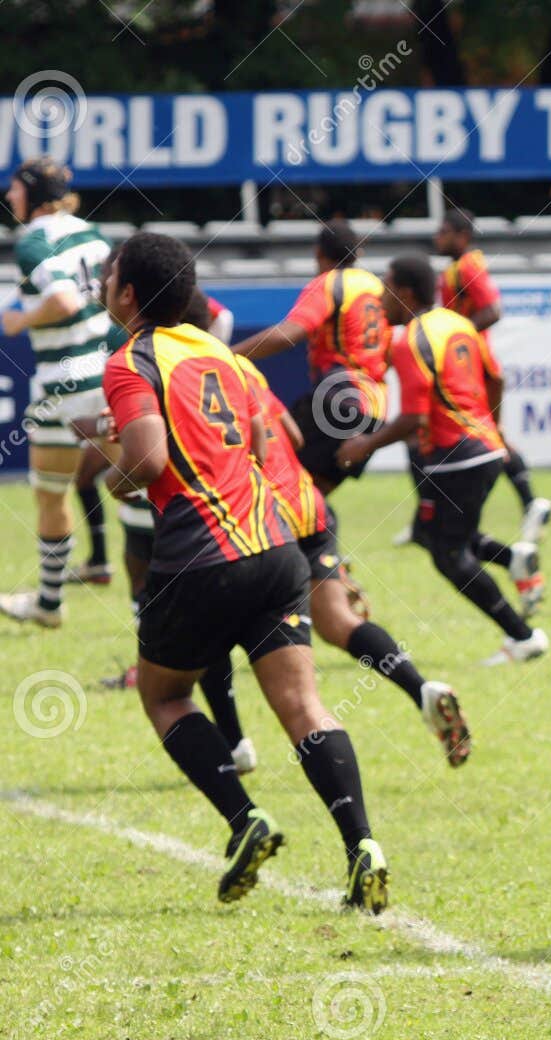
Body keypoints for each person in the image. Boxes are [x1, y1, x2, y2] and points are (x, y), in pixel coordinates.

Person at [99, 231, 389, 913]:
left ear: (129, 294)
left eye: (109, 277)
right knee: (303, 706)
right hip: (274, 547)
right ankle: (363, 844)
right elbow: (261, 440)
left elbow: (145, 458)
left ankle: (244, 816)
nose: (104, 285)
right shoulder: (219, 355)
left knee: (166, 695)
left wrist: (116, 479)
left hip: (200, 556)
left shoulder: (129, 360)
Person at [201, 291, 471, 767]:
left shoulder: (184, 375)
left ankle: (235, 746)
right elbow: (294, 433)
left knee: (210, 625)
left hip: (263, 521)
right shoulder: (244, 370)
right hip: (309, 505)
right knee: (339, 624)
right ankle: (424, 690)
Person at [337, 255, 548, 666]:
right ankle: (515, 559)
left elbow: (414, 418)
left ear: (407, 292)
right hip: (482, 450)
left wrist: (365, 445)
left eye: (387, 288)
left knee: (448, 553)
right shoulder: (457, 323)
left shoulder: (409, 340)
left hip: (455, 458)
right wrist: (494, 427)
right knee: (443, 536)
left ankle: (522, 636)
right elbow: (497, 378)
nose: (381, 298)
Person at [0, 158, 114, 626]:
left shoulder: (33, 241)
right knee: (137, 487)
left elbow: (64, 299)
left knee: (50, 494)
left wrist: (20, 320)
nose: (9, 198)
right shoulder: (92, 234)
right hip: (107, 376)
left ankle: (49, 603)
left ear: (33, 193)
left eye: (14, 189)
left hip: (62, 385)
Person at [231, 223, 390, 494]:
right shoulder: (375, 286)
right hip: (375, 409)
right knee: (314, 493)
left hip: (339, 398)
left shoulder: (329, 284)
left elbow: (290, 333)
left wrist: (229, 354)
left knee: (276, 477)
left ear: (318, 253)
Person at [435, 207, 551, 543]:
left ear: (461, 235)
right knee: (485, 435)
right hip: (470, 367)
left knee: (486, 436)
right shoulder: (456, 269)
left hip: (474, 368)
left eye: (443, 231)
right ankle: (530, 503)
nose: (437, 238)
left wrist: (455, 336)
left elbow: (493, 310)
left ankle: (530, 502)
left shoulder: (469, 265)